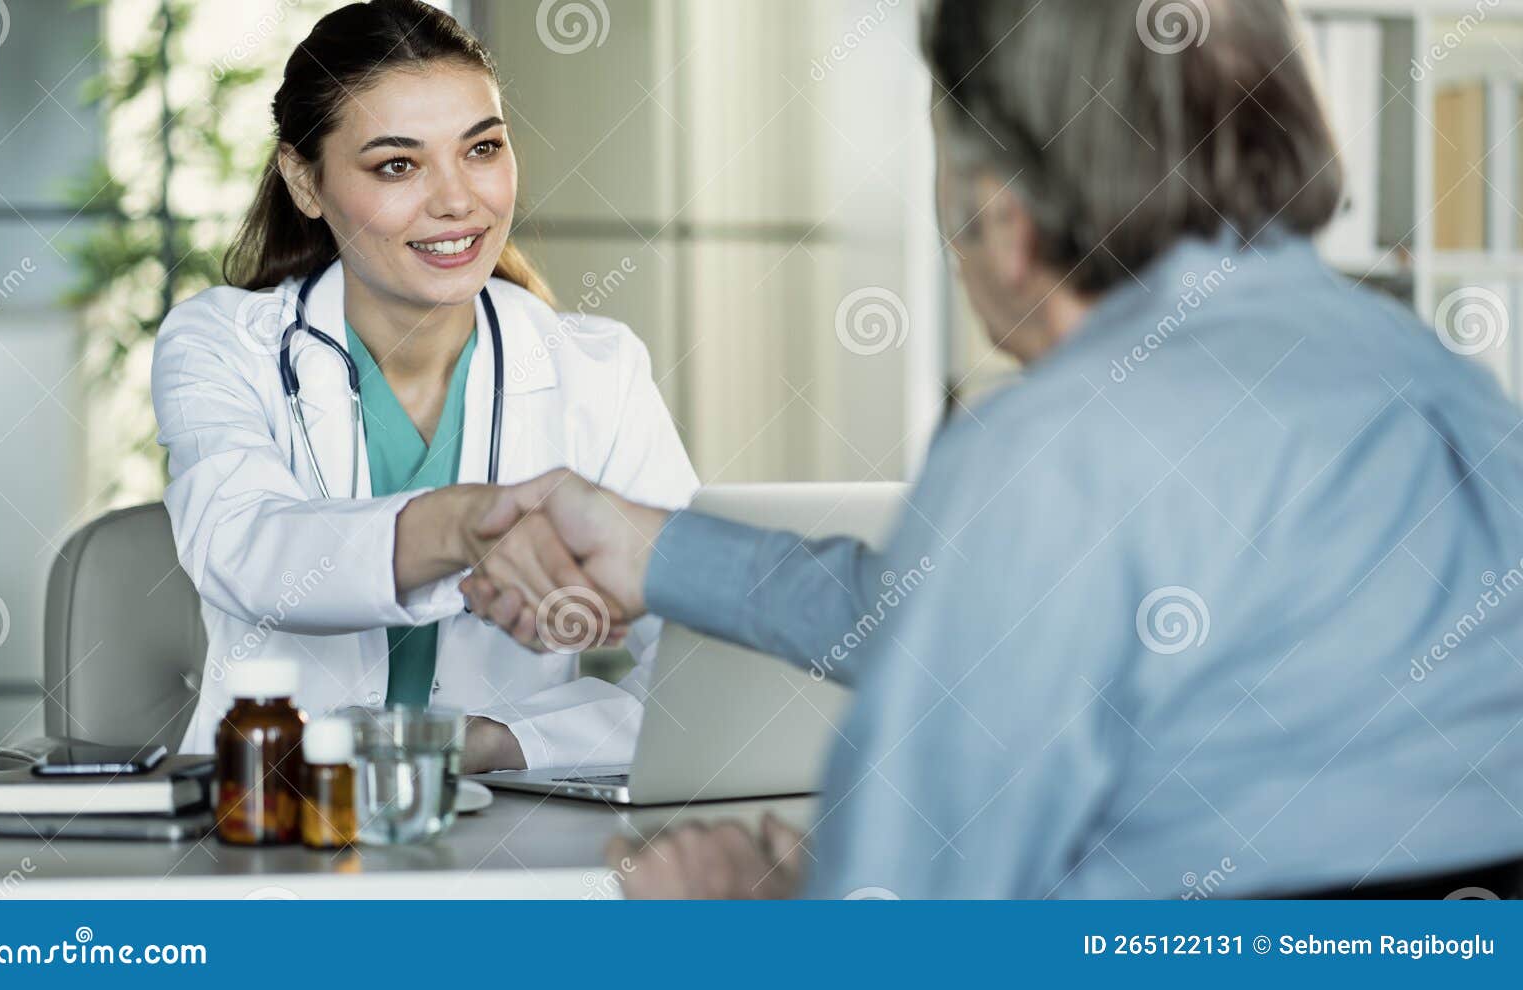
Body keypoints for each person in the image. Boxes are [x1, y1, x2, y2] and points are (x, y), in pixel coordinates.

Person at [462, 0, 1523, 898]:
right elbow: (1002, 620)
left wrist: (753, 910)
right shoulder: (1434, 376)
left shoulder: (1054, 446)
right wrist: (660, 554)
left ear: (1002, 217)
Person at [151, 0, 696, 770]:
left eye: (483, 149)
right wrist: (462, 526)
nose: (457, 201)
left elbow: (701, 655)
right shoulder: (222, 343)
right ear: (304, 181)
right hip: (270, 811)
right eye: (397, 165)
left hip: (506, 823)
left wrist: (505, 740)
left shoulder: (597, 369)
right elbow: (245, 549)